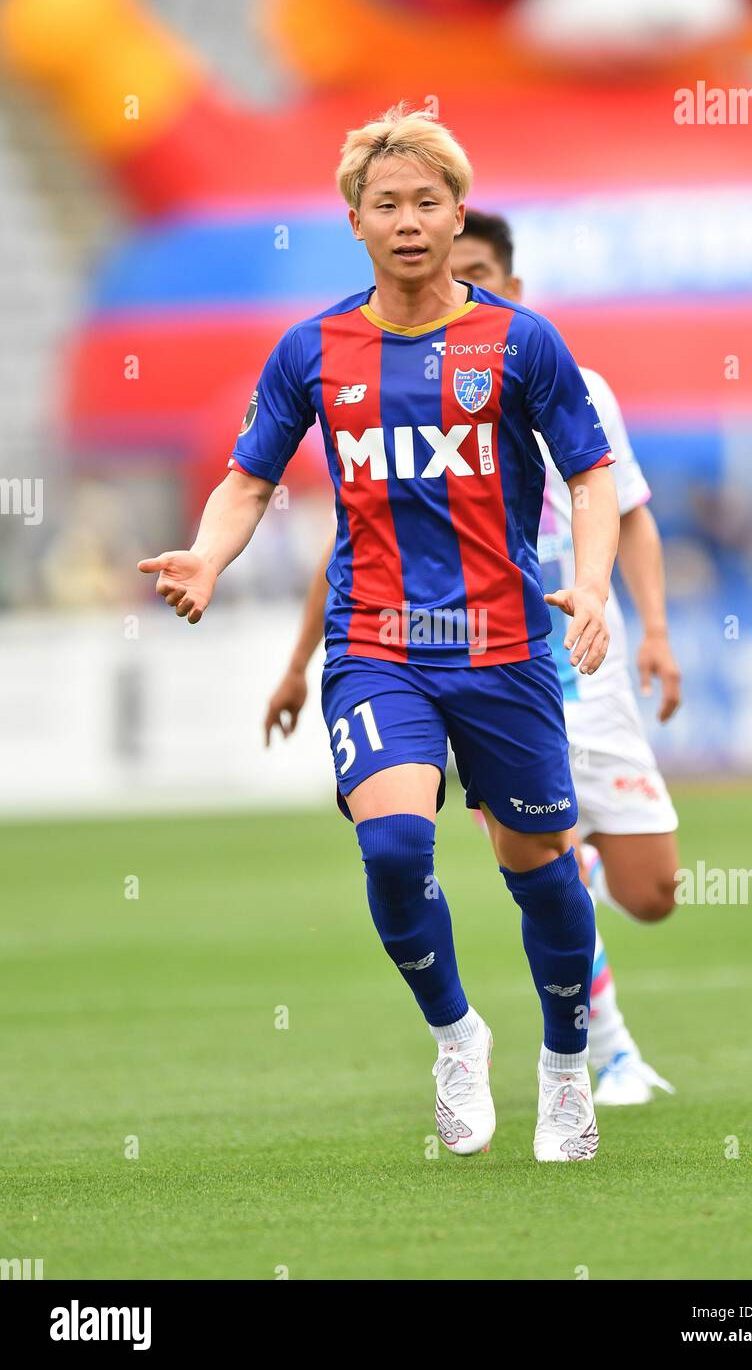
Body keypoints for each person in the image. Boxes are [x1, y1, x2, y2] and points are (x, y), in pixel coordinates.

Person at [139, 105, 619, 1162]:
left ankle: (563, 1066)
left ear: (457, 216)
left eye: (427, 202)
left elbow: (590, 474)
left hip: (502, 645)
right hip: (376, 645)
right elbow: (249, 478)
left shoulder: (520, 341)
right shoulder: (312, 349)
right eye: (386, 203)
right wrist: (207, 557)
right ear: (353, 217)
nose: (408, 220)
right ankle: (455, 1037)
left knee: (540, 866)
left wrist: (586, 585)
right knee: (396, 842)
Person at [267, 208, 682, 1106]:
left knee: (650, 893)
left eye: (480, 267)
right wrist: (303, 660)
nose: (458, 278)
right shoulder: (373, 372)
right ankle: (582, 1053)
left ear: (512, 281)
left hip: (572, 643)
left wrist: (649, 625)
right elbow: (348, 538)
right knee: (465, 846)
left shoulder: (554, 368)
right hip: (435, 651)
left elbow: (630, 507)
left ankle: (577, 944)